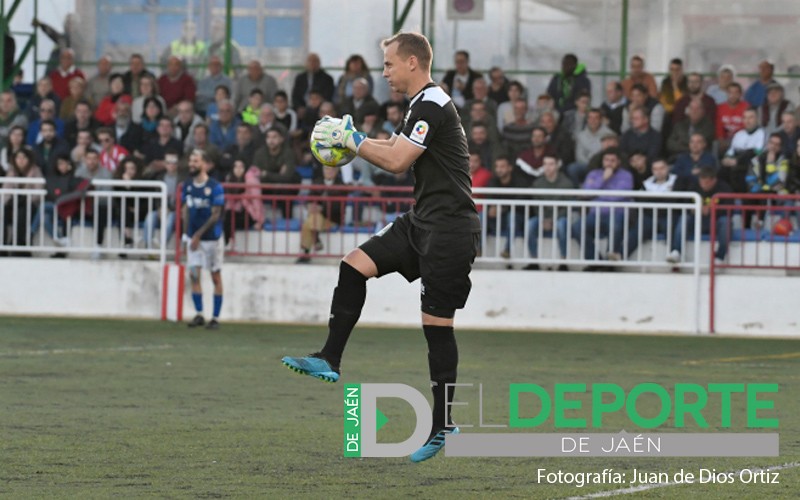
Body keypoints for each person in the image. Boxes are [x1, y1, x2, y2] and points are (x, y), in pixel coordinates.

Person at [282, 32, 480, 463]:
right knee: (353, 266)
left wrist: (351, 142)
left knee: (436, 327)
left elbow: (396, 161)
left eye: (389, 64)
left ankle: (443, 424)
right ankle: (330, 359)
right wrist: (355, 135)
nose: (384, 72)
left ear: (412, 62)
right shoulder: (420, 105)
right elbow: (392, 146)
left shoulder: (432, 104)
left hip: (449, 230)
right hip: (422, 221)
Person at [183, 149, 225, 329]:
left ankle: (215, 317)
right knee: (194, 275)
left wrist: (198, 235)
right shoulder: (187, 185)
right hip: (193, 239)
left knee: (215, 277)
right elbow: (185, 209)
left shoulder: (215, 187)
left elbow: (216, 215)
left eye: (196, 161)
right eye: (191, 161)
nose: (192, 164)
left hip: (211, 239)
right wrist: (186, 235)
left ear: (205, 164)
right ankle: (199, 314)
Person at [571, 148, 633, 266]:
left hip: (616, 212)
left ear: (618, 162)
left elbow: (620, 195)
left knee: (615, 226)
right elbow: (586, 193)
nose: (609, 163)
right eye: (606, 160)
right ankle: (594, 261)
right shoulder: (594, 174)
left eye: (612, 160)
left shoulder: (626, 175)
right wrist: (603, 179)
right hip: (595, 213)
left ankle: (610, 261)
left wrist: (598, 194)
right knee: (577, 227)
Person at [668, 166, 731, 264]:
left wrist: (712, 210)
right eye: (701, 181)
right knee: (684, 218)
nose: (703, 185)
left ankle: (720, 256)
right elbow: (685, 204)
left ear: (714, 180)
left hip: (715, 221)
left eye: (706, 182)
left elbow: (728, 209)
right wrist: (693, 210)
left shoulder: (724, 187)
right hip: (697, 221)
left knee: (725, 221)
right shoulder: (694, 186)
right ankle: (676, 251)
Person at [525, 154, 574, 270]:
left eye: (551, 164)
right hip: (542, 218)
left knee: (561, 225)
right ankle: (534, 260)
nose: (548, 167)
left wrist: (552, 220)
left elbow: (567, 207)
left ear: (557, 165)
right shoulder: (538, 183)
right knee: (530, 224)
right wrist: (543, 219)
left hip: (559, 218)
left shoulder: (567, 183)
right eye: (545, 164)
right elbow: (536, 206)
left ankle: (563, 261)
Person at [297, 165, 347, 264]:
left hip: (332, 219)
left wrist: (321, 208)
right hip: (317, 217)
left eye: (331, 169)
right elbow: (309, 199)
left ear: (336, 171)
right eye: (326, 169)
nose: (329, 172)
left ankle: (306, 252)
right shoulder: (317, 182)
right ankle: (316, 240)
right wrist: (310, 206)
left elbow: (338, 208)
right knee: (311, 219)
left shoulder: (341, 186)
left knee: (311, 221)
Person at [716, 82, 749, 153]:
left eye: (736, 93)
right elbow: (718, 128)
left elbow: (747, 127)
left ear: (740, 94)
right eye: (730, 92)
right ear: (727, 94)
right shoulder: (720, 108)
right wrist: (721, 140)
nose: (733, 95)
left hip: (742, 140)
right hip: (724, 140)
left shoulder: (746, 107)